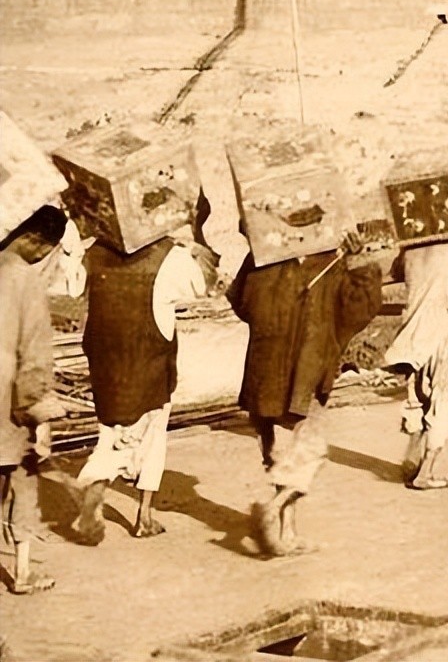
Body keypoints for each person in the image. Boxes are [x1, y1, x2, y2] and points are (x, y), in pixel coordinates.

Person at [227, 236, 381, 557]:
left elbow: (240, 301)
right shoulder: (327, 262)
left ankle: (288, 531)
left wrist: (271, 327)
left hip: (263, 374)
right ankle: (273, 508)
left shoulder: (263, 254)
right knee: (310, 452)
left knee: (280, 455)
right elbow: (361, 309)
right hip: (302, 377)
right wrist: (362, 264)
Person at [72, 222, 215, 544]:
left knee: (110, 432)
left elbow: (72, 286)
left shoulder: (95, 252)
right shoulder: (169, 256)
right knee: (152, 437)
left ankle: (97, 482)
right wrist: (197, 249)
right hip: (150, 361)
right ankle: (144, 517)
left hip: (106, 362)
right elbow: (202, 284)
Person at [1, 210, 64, 595]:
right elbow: (35, 357)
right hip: (6, 403)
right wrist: (40, 417)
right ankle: (23, 572)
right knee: (23, 480)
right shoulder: (24, 279)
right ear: (38, 242)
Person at [382, 236, 448, 490]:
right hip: (445, 328)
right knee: (443, 398)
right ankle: (426, 470)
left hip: (413, 331)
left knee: (415, 396)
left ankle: (412, 458)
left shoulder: (411, 246)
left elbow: (395, 273)